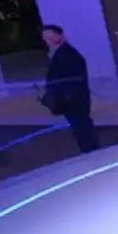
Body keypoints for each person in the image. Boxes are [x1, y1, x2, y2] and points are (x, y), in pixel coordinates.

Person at [40, 24, 100, 153]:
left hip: (73, 100)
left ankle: (91, 152)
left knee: (82, 128)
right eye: (45, 37)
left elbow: (66, 78)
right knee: (82, 128)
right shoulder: (62, 54)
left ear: (60, 36)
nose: (48, 41)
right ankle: (90, 151)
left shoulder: (65, 55)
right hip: (73, 99)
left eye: (50, 36)